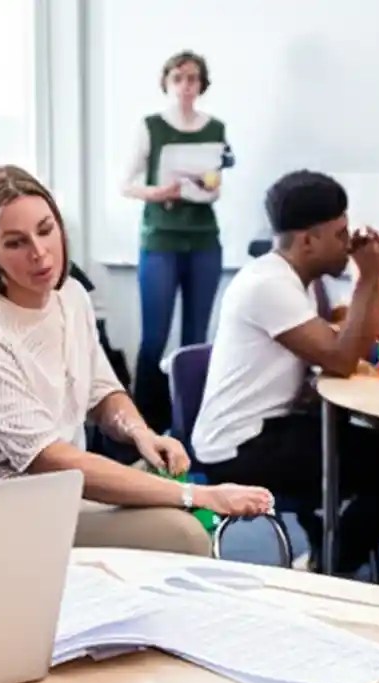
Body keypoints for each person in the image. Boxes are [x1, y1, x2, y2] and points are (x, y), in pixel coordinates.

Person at [0, 165, 272, 556]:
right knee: (184, 532)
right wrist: (196, 495)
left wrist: (142, 433)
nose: (40, 253)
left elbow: (100, 390)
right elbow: (49, 460)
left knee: (175, 507)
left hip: (58, 490)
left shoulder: (70, 295)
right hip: (1, 508)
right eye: (16, 242)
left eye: (45, 230)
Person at [192, 169, 379, 574]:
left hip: (275, 426)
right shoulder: (269, 285)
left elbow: (358, 333)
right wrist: (369, 274)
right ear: (308, 241)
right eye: (340, 234)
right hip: (241, 445)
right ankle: (325, 566)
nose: (348, 243)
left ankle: (329, 553)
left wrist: (371, 276)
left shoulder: (298, 279)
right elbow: (342, 358)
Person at [122, 49, 234, 433]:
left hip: (203, 238)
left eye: (193, 78)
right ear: (167, 82)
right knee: (154, 337)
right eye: (179, 78)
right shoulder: (151, 126)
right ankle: (143, 427)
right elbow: (126, 184)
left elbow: (216, 181)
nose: (186, 85)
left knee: (195, 338)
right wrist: (156, 192)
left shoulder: (215, 128)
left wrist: (208, 185)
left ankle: (189, 426)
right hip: (161, 239)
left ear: (202, 84)